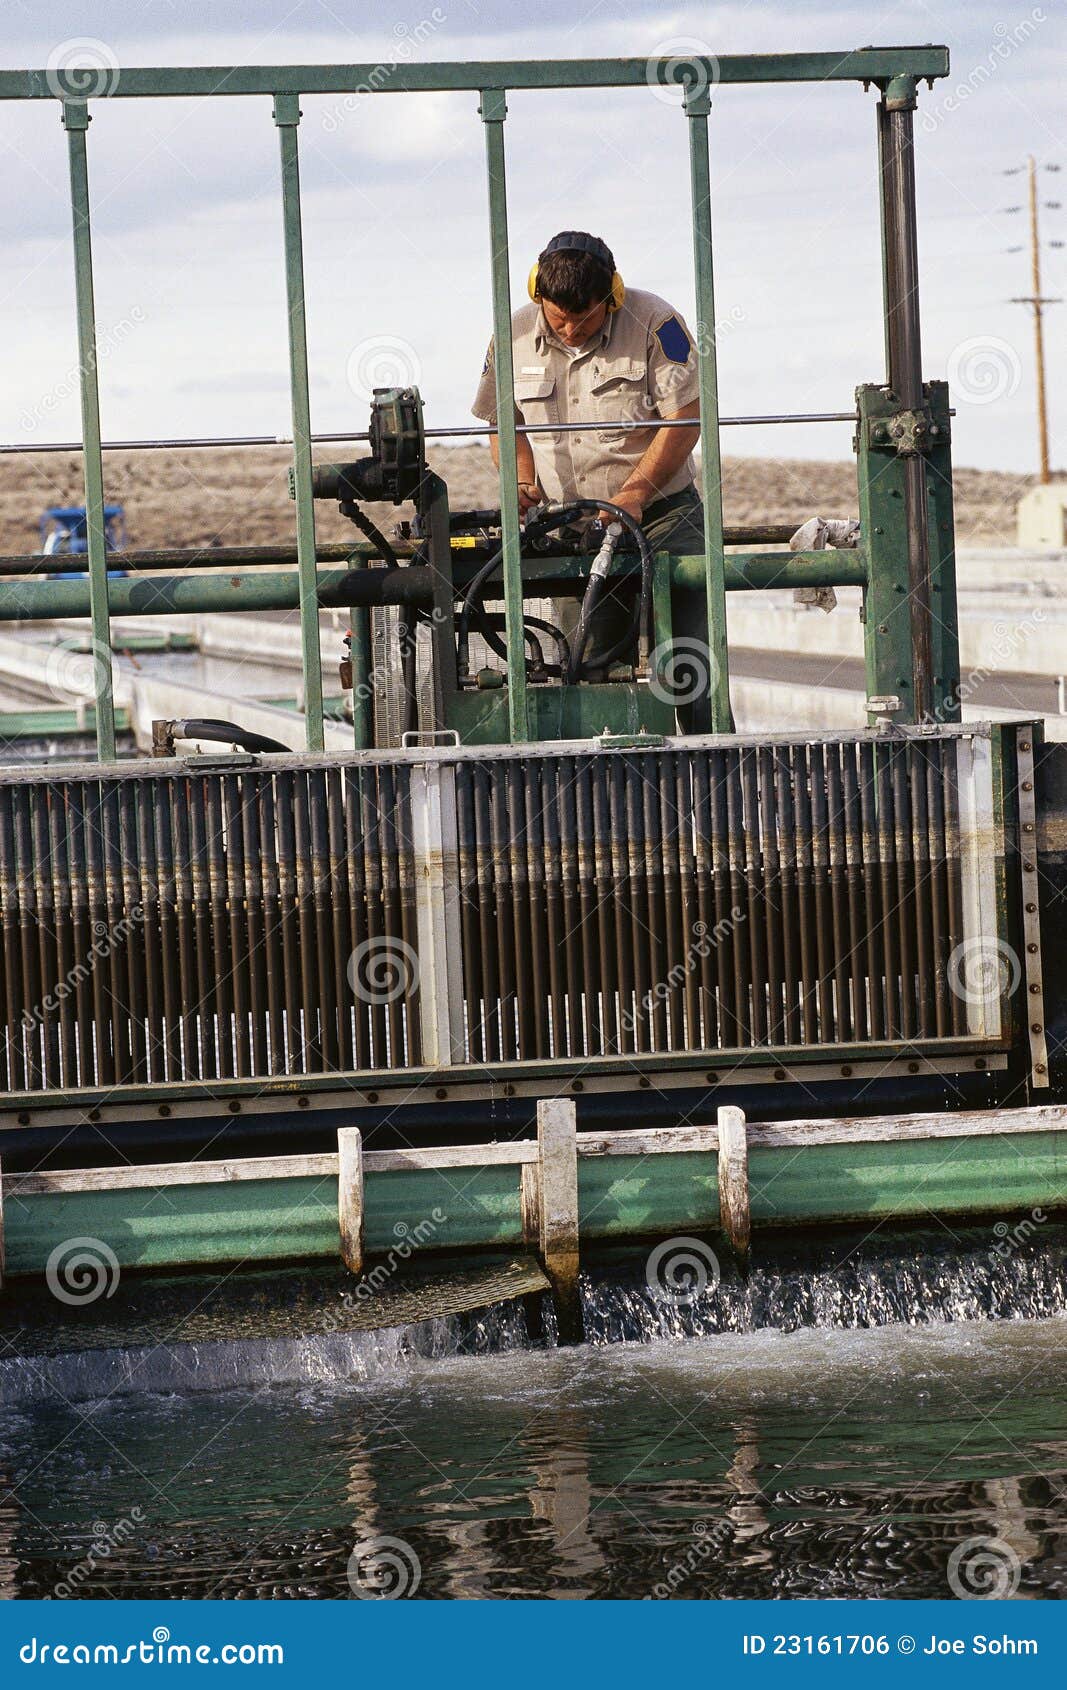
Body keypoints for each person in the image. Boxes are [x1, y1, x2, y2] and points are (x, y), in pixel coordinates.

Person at [471, 231, 707, 671]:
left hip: (662, 518)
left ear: (613, 296)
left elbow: (685, 419)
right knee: (585, 668)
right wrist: (522, 478)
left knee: (689, 666)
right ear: (537, 293)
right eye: (560, 320)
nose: (572, 330)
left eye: (585, 318)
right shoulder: (511, 335)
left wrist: (634, 493)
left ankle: (705, 741)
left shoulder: (658, 324)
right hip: (568, 528)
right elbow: (503, 422)